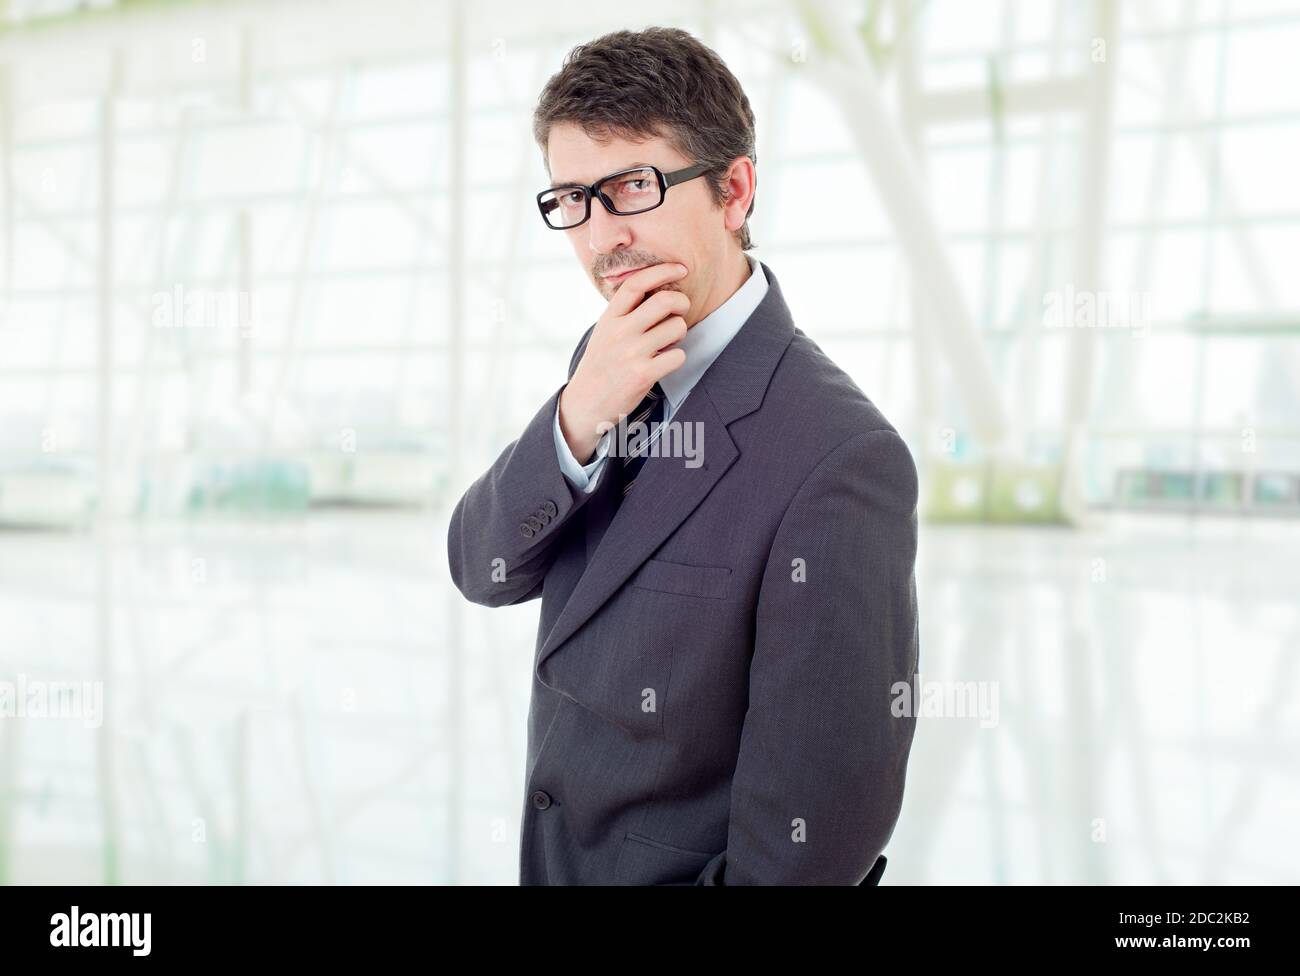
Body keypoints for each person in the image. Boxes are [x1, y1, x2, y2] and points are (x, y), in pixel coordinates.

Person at [447, 26, 919, 885]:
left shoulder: (840, 456)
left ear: (734, 191)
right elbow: (482, 568)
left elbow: (811, 850)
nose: (600, 240)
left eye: (632, 186)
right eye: (571, 201)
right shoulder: (603, 368)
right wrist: (578, 414)